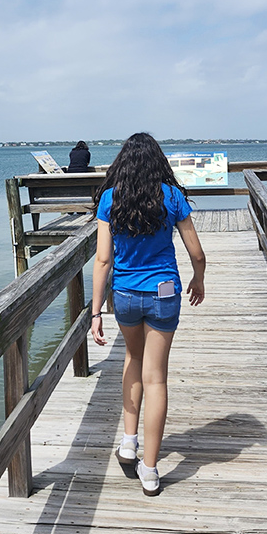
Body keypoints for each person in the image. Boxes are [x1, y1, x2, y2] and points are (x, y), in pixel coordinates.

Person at [91, 132, 206, 496]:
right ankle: (151, 471)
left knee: (133, 357)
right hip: (164, 293)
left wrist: (95, 312)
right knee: (156, 378)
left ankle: (129, 442)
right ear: (159, 162)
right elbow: (197, 253)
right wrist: (198, 279)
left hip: (125, 294)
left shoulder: (111, 199)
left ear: (123, 163)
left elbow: (103, 260)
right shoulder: (172, 197)